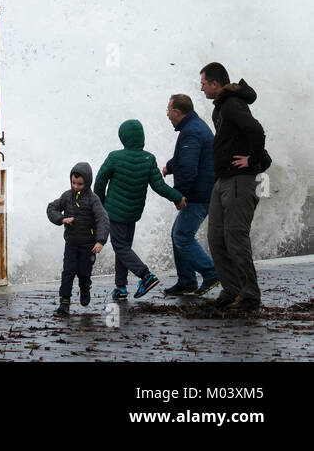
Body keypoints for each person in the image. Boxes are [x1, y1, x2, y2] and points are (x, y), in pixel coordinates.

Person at [94, 119, 185, 300]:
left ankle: (145, 275)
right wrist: (177, 197)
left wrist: (100, 206)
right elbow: (159, 186)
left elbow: (99, 182)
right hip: (133, 213)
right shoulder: (149, 159)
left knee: (120, 247)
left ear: (124, 138)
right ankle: (120, 288)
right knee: (124, 248)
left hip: (115, 212)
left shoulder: (115, 157)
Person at [200, 62, 266, 310]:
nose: (202, 88)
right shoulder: (222, 107)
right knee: (216, 237)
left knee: (236, 238)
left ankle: (250, 295)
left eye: (204, 83)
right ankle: (232, 289)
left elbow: (257, 131)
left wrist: (252, 159)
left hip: (240, 180)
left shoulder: (232, 105)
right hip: (223, 180)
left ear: (215, 84)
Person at [160, 94, 219, 297]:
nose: (167, 114)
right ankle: (186, 281)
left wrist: (180, 195)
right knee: (178, 233)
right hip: (204, 190)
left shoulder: (191, 132)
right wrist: (170, 165)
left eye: (168, 110)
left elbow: (188, 167)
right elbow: (186, 158)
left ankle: (211, 273)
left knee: (182, 236)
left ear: (177, 112)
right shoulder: (193, 127)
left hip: (200, 194)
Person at [46, 161, 109, 315]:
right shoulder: (67, 196)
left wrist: (100, 241)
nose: (75, 186)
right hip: (71, 243)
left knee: (84, 272)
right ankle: (64, 303)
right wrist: (61, 219)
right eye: (73, 182)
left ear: (87, 183)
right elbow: (51, 208)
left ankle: (85, 289)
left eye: (79, 184)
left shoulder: (93, 199)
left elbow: (103, 219)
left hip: (88, 245)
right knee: (68, 271)